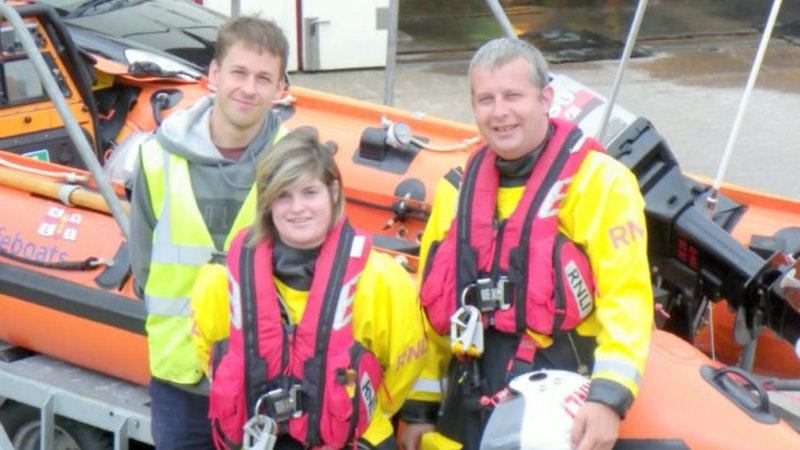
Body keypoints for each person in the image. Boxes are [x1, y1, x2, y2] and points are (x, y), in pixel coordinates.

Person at [401, 37, 654, 450]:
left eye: (513, 96)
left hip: (555, 400)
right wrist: (420, 406)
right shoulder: (456, 189)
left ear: (546, 98)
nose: (499, 112)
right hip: (466, 397)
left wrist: (609, 398)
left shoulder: (601, 183)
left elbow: (626, 299)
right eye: (486, 99)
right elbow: (433, 307)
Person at [191, 127, 428, 450]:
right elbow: (211, 352)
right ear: (267, 203)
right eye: (283, 195)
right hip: (260, 437)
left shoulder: (383, 281)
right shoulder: (220, 283)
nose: (297, 208)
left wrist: (348, 408)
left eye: (309, 192)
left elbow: (404, 367)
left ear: (332, 192)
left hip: (353, 439)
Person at [128, 15, 290, 449]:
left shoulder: (295, 163)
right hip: (182, 384)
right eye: (238, 72)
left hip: (268, 383)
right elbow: (144, 268)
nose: (248, 88)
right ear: (214, 74)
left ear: (279, 89)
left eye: (263, 78)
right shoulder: (156, 158)